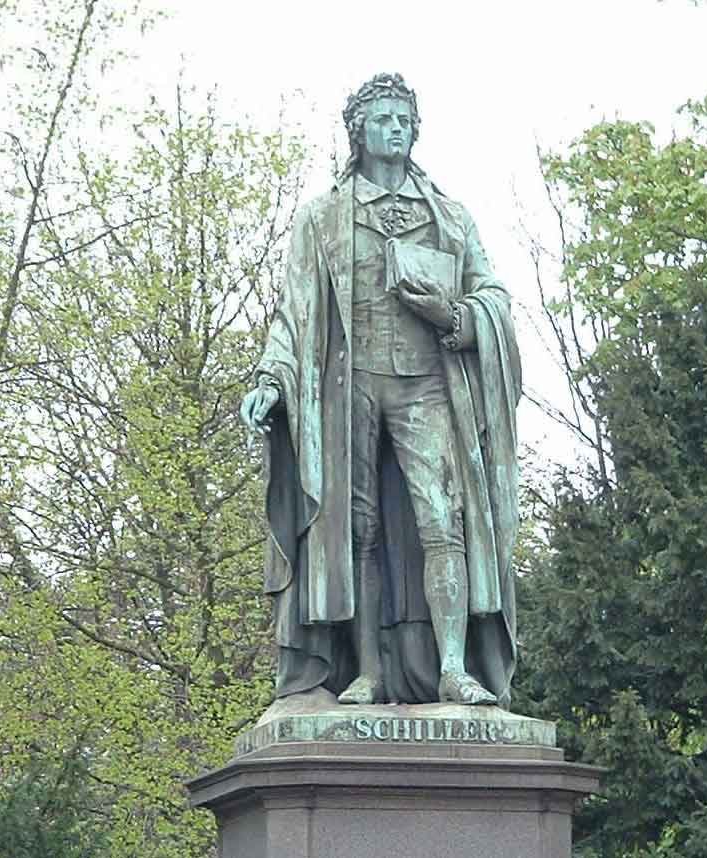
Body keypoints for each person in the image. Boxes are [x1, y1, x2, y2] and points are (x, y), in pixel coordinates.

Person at [240, 73, 521, 707]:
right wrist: (271, 379)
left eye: (405, 120)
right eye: (383, 119)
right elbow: (294, 312)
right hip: (351, 390)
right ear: (357, 132)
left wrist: (453, 316)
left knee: (443, 520)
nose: (397, 129)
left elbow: (494, 298)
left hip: (427, 386)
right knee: (357, 531)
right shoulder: (323, 218)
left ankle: (454, 669)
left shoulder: (450, 218)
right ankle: (367, 671)